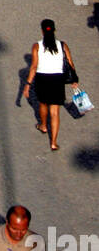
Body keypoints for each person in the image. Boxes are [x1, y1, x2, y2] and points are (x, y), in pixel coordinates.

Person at [23, 18, 76, 151]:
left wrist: (28, 84)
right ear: (54, 30)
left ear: (42, 31)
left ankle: (43, 125)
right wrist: (74, 79)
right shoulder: (63, 45)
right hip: (57, 80)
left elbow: (34, 66)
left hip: (42, 79)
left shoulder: (37, 46)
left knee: (42, 104)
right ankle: (53, 142)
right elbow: (70, 62)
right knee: (55, 112)